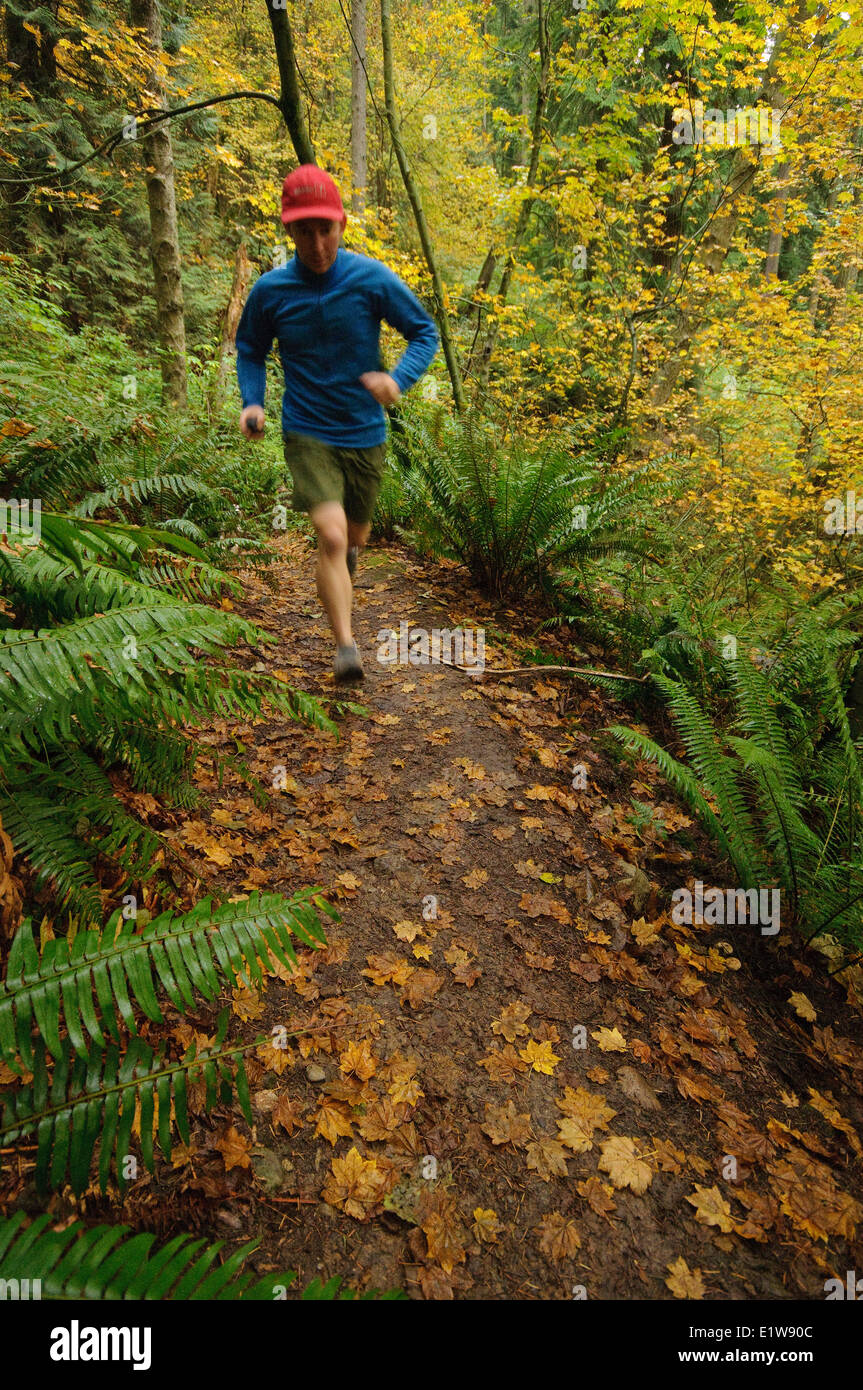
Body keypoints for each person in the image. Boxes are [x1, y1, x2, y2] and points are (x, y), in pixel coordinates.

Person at [236, 164, 439, 683]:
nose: (317, 242)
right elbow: (251, 349)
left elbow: (424, 332)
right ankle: (346, 645)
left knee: (353, 539)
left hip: (366, 433)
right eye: (304, 231)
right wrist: (253, 402)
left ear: (341, 224)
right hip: (307, 431)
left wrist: (398, 380)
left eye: (325, 229)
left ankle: (345, 561)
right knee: (329, 536)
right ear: (289, 231)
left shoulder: (370, 279)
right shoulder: (271, 291)